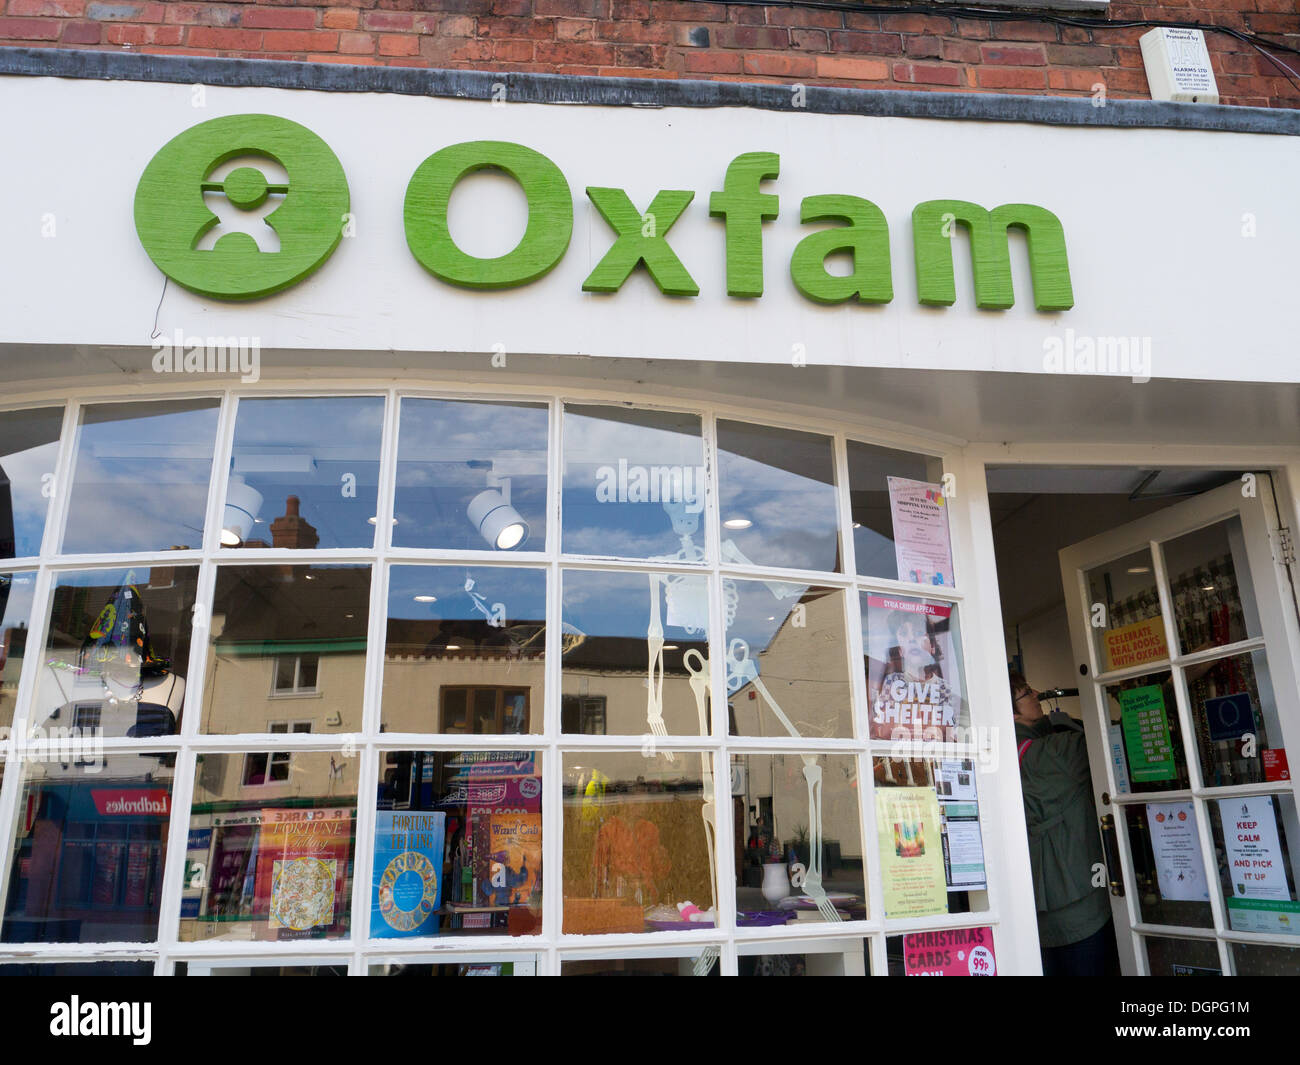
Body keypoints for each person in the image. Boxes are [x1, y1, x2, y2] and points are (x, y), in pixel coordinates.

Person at [1010, 670, 1119, 976]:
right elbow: (1112, 739)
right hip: (1079, 904)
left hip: (1035, 906)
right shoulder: (1052, 753)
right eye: (1026, 693)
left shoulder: (1003, 752)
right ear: (1012, 711)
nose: (1036, 695)